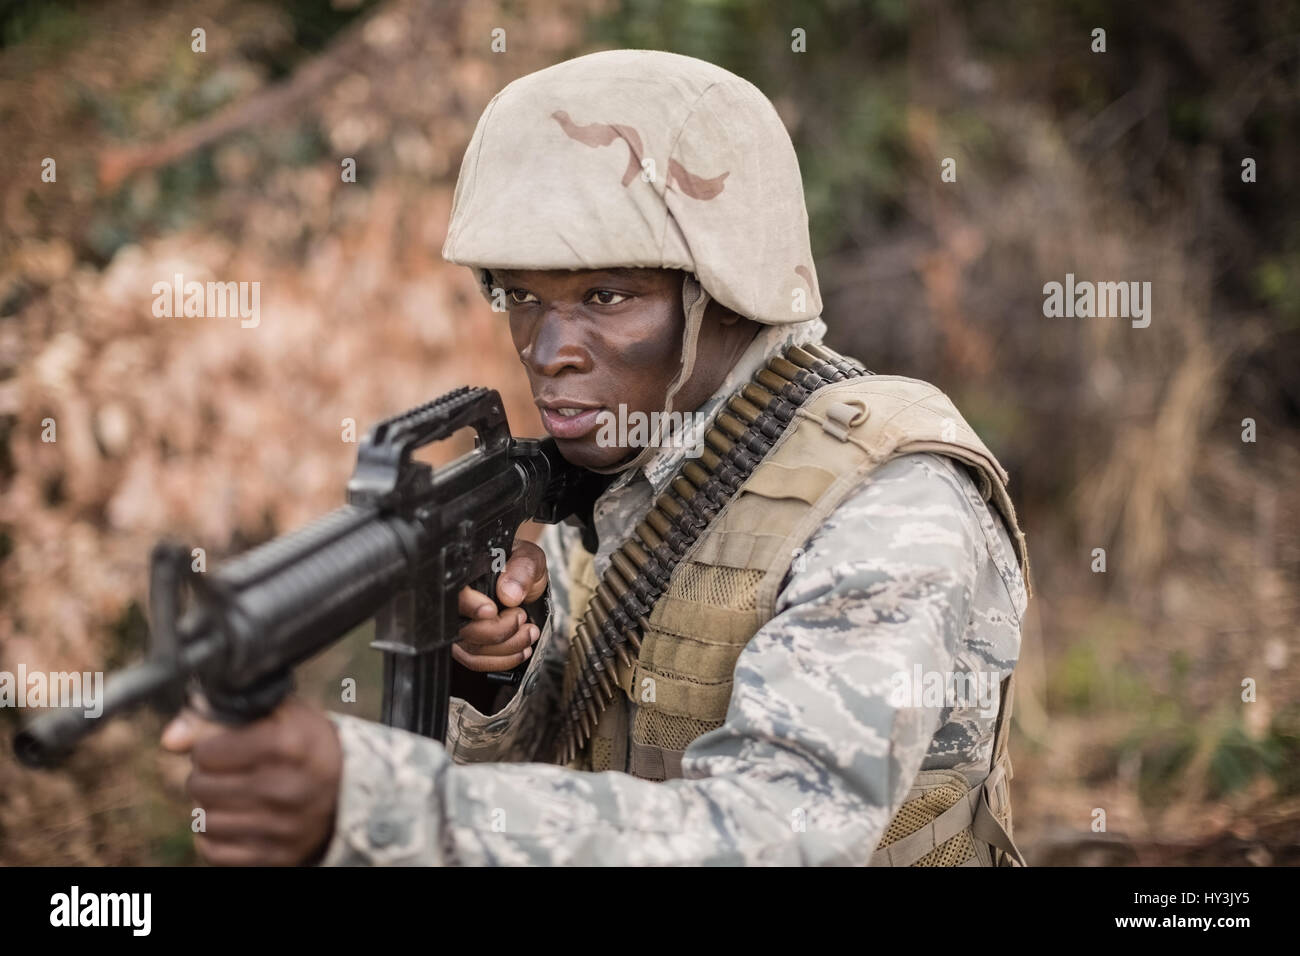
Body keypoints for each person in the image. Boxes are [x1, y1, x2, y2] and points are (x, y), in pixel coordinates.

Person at [161, 49, 1030, 867]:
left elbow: (779, 834)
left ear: (727, 294)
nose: (549, 350)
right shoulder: (638, 471)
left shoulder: (887, 497)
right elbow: (597, 777)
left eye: (607, 296)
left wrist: (372, 799)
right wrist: (502, 676)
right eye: (523, 297)